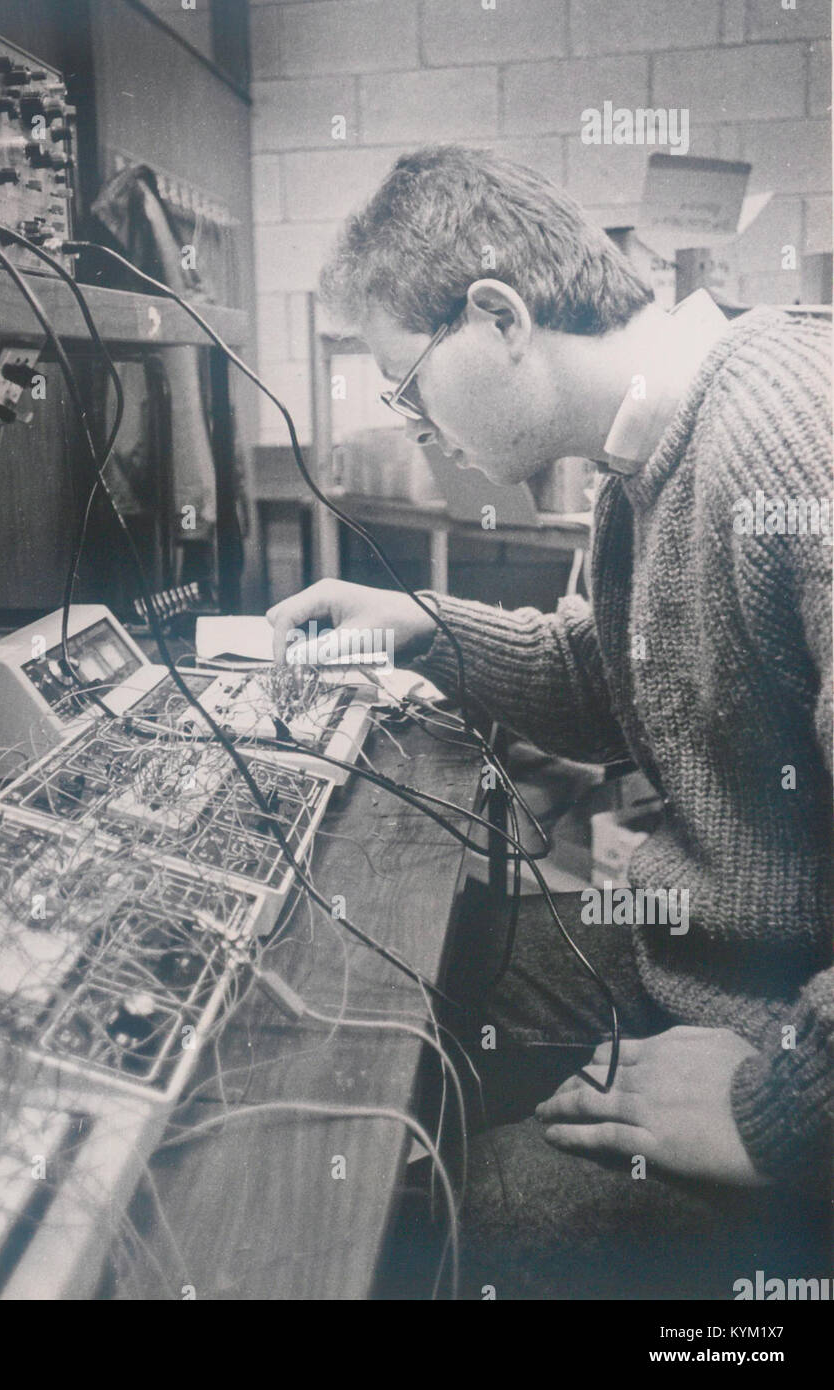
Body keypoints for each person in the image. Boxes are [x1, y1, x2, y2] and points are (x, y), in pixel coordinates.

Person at [265, 146, 833, 1298]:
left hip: (788, 1015)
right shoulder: (646, 445)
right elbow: (621, 675)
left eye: (406, 383)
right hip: (709, 949)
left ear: (499, 316)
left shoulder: (789, 428)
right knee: (403, 1005)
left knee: (474, 1222)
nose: (414, 423)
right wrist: (425, 626)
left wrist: (787, 1099)